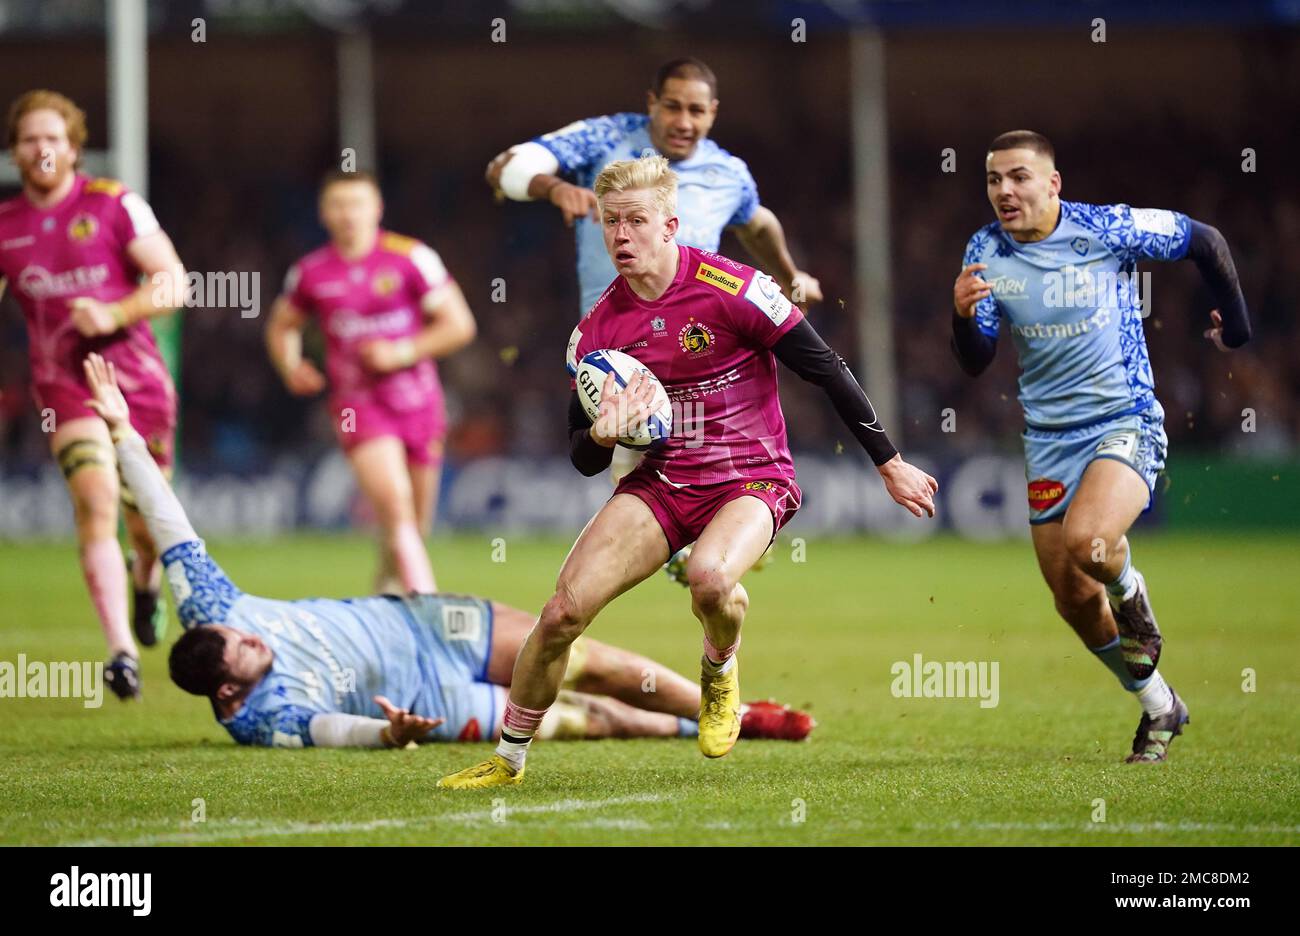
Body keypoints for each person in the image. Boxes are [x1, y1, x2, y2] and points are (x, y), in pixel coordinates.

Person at [439, 155, 936, 788]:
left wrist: (889, 463)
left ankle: (720, 667)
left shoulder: (735, 289)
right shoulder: (597, 334)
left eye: (636, 221)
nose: (620, 235)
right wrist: (600, 432)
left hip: (752, 478)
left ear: (671, 225)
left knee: (707, 579)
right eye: (610, 223)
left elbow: (825, 366)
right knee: (562, 612)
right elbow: (582, 456)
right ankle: (507, 758)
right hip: (663, 484)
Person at [81, 352, 813, 748]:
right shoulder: (255, 718)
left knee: (598, 663)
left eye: (238, 631)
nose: (249, 633)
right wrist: (387, 731)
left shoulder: (212, 609)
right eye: (242, 651)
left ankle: (745, 714)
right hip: (432, 699)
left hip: (426, 621)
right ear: (229, 691)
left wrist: (119, 433)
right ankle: (702, 728)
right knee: (598, 720)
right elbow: (330, 730)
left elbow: (167, 517)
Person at [950, 130, 1252, 763]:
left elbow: (1207, 241)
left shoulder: (1107, 228)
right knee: (1072, 599)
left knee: (1091, 543)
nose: (1005, 190)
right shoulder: (984, 250)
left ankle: (1133, 595)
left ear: (1052, 182)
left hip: (1125, 418)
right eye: (993, 179)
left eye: (1019, 176)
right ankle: (1161, 706)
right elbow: (976, 361)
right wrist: (961, 316)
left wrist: (1238, 324)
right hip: (1048, 441)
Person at [486, 57, 823, 579]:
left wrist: (792, 272)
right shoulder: (604, 141)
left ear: (712, 114)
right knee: (637, 477)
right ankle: (710, 544)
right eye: (672, 106)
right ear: (651, 103)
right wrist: (556, 189)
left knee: (695, 543)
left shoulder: (726, 173)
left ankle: (727, 533)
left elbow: (757, 223)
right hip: (615, 351)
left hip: (697, 354)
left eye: (696, 110)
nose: (683, 121)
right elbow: (502, 167)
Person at [0, 90, 188, 699]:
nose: (42, 149)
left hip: (139, 386)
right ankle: (121, 653)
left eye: (53, 138)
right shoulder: (5, 226)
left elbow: (173, 283)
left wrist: (111, 312)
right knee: (96, 501)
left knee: (144, 526)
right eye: (30, 139)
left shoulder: (113, 204)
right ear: (15, 151)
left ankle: (145, 582)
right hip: (64, 388)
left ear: (74, 147)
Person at [266, 170, 476, 594]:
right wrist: (291, 366)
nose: (349, 215)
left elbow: (459, 325)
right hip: (355, 406)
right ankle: (426, 607)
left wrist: (400, 352)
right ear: (324, 213)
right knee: (396, 506)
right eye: (339, 205)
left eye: (357, 203)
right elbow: (281, 326)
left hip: (419, 402)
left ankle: (387, 590)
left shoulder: (411, 258)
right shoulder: (311, 272)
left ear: (377, 208)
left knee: (414, 524)